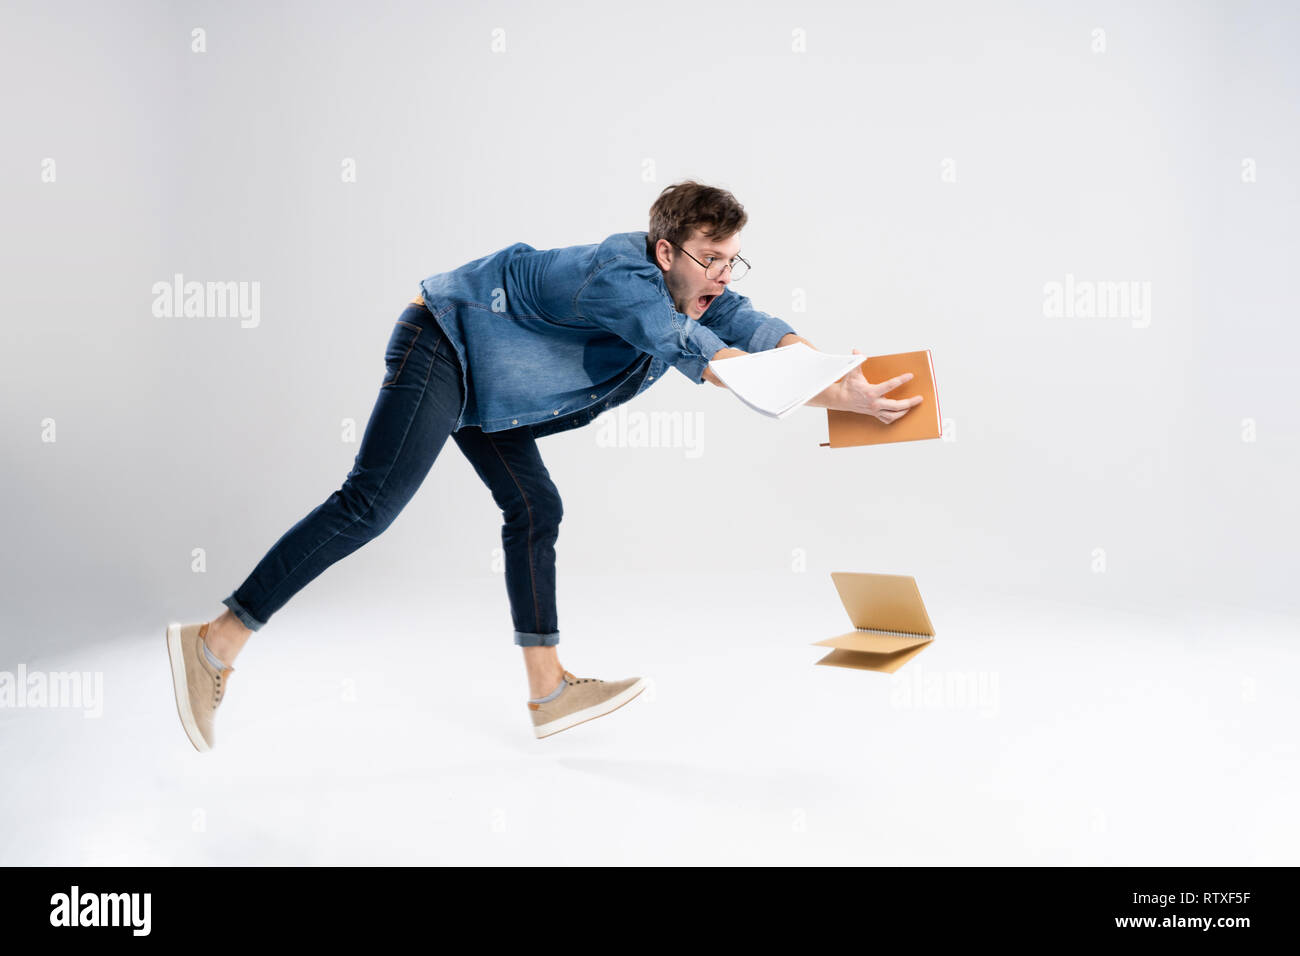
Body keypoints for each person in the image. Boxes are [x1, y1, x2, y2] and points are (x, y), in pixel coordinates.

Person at [165, 180, 923, 750]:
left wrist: (835, 376)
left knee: (536, 508)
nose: (724, 275)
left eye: (731, 259)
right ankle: (212, 643)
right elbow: (706, 355)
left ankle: (547, 690)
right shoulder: (622, 276)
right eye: (710, 259)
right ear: (667, 251)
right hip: (447, 341)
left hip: (493, 388)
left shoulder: (697, 290)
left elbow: (756, 329)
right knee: (371, 504)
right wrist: (828, 395)